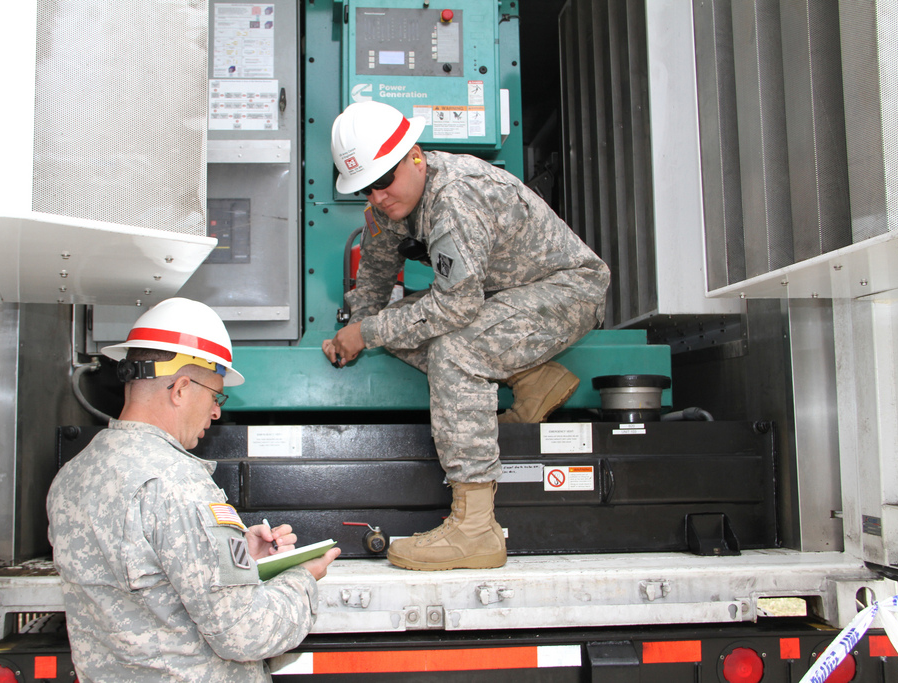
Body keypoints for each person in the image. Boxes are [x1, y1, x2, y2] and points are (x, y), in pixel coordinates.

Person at [324, 101, 610, 571]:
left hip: (566, 291)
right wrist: (354, 329)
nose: (375, 196)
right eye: (364, 189)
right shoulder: (388, 207)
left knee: (456, 349)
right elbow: (375, 278)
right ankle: (534, 379)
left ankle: (476, 530)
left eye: (382, 181)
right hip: (498, 298)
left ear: (415, 156)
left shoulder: (456, 196)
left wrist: (367, 333)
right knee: (403, 323)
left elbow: (456, 307)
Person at [47, 297, 340, 682]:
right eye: (215, 396)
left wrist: (238, 556)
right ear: (181, 389)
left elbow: (150, 584)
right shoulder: (177, 482)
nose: (217, 412)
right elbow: (246, 635)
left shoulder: (73, 475)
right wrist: (300, 580)